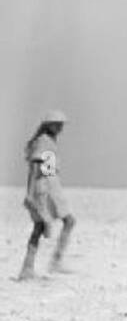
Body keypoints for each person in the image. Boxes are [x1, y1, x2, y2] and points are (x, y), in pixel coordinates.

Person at [18, 111, 75, 279]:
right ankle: (34, 267)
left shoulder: (49, 141)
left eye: (61, 124)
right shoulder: (43, 141)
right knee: (46, 225)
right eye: (57, 124)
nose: (60, 127)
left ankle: (34, 266)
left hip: (51, 183)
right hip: (44, 185)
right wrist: (29, 194)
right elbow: (35, 168)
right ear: (48, 125)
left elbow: (47, 167)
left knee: (54, 224)